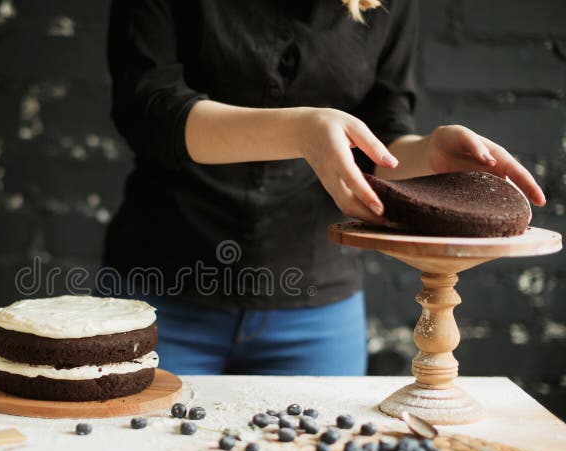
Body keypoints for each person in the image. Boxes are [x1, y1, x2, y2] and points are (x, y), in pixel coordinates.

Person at [102, 0, 545, 376]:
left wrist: (426, 156)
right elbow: (148, 110)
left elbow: (382, 134)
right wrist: (298, 130)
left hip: (317, 310)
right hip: (162, 290)